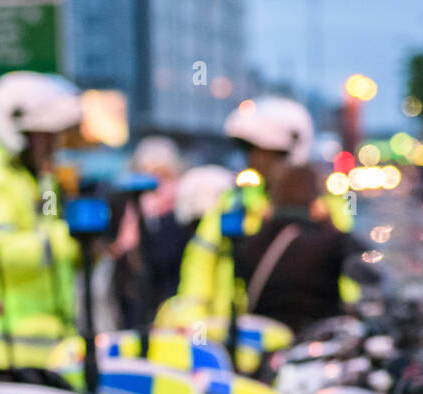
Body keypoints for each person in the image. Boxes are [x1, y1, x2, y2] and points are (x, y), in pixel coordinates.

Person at [156, 95, 350, 341]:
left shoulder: (327, 209)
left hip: (308, 340)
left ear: (289, 152)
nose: (252, 160)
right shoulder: (232, 202)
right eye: (248, 151)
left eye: (262, 152)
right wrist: (194, 322)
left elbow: (346, 275)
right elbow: (199, 266)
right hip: (233, 342)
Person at [0, 71, 83, 370]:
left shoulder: (41, 179)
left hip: (50, 348)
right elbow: (0, 250)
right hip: (6, 352)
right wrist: (69, 241)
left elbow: (48, 231)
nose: (55, 145)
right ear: (19, 132)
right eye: (46, 136)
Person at [233, 165, 374, 338]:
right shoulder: (331, 241)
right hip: (316, 345)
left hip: (261, 343)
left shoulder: (251, 241)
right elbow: (369, 268)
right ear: (317, 200)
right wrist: (330, 223)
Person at [109, 136, 186, 326]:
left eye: (163, 174)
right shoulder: (127, 210)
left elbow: (167, 259)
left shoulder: (181, 214)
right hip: (131, 307)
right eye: (149, 173)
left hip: (167, 309)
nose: (155, 183)